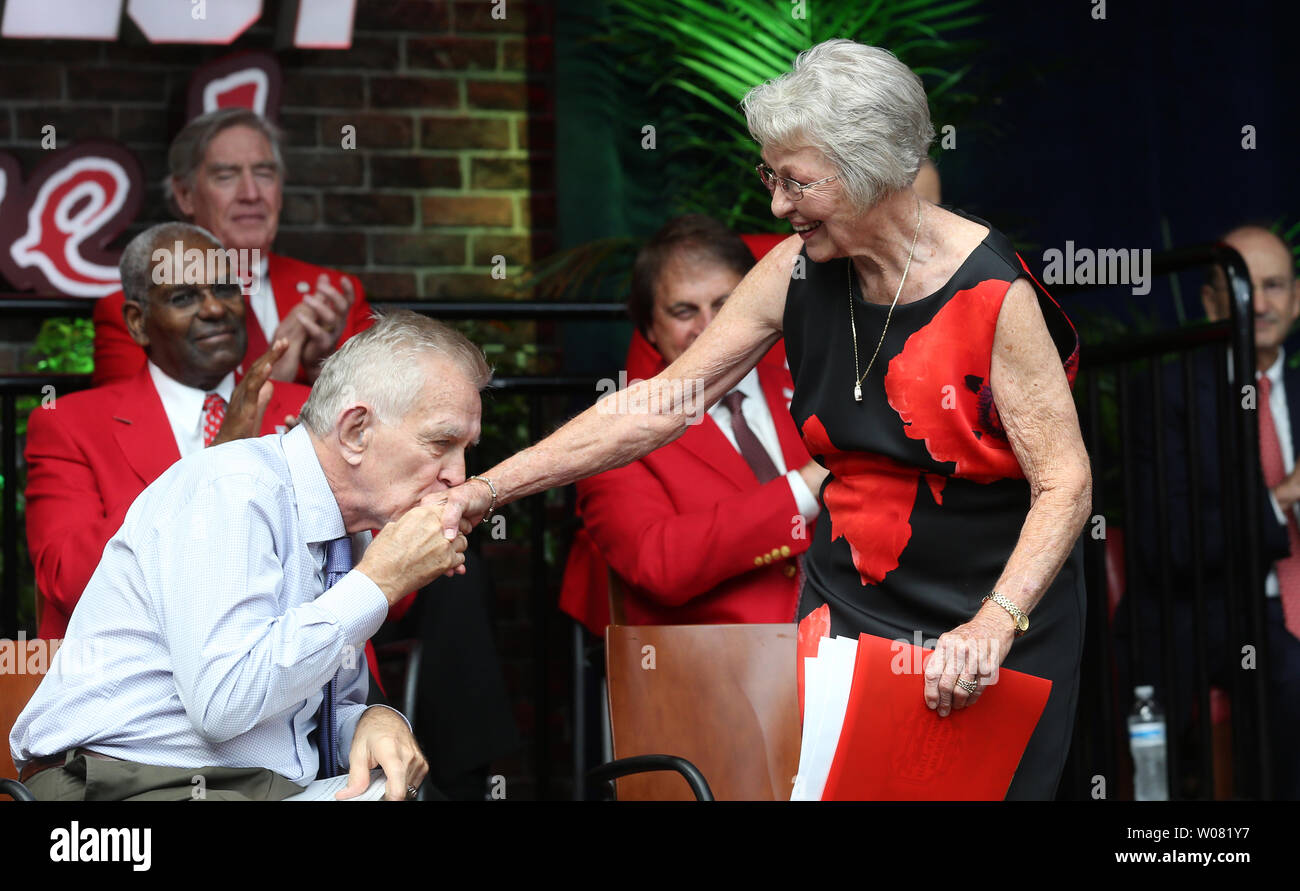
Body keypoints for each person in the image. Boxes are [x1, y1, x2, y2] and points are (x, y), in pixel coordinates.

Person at [436, 40, 1090, 800]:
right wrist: (483, 491)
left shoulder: (992, 293)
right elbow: (658, 406)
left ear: (871, 168)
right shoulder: (794, 271)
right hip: (854, 606)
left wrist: (994, 623)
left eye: (796, 181)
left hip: (994, 614)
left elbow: (1066, 482)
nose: (776, 204)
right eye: (769, 176)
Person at [10, 310, 485, 800]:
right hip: (124, 782)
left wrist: (368, 718)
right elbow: (225, 703)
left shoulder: (352, 530)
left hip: (246, 785)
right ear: (355, 431)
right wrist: (378, 583)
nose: (458, 475)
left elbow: (298, 713)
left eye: (466, 449)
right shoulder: (236, 489)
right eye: (441, 443)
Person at [24, 222, 310, 639]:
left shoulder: (308, 408)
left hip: (300, 680)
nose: (216, 309)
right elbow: (68, 581)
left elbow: (385, 584)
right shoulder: (69, 425)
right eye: (184, 297)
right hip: (138, 685)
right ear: (138, 323)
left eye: (226, 289)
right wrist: (213, 462)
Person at [559, 214, 825, 628]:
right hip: (714, 675)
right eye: (684, 311)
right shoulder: (617, 431)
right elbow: (658, 565)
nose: (709, 327)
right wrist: (801, 490)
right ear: (648, 328)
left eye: (726, 303)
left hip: (852, 649)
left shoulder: (816, 389)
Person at [1122, 224, 1300, 799]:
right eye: (1244, 287)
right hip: (1194, 610)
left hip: (1276, 613)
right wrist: (1282, 500)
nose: (1263, 304)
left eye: (1275, 287)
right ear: (1210, 303)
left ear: (1297, 299)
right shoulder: (1166, 392)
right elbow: (1168, 546)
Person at [91, 107, 373, 387]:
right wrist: (267, 382)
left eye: (264, 174)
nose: (251, 194)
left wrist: (322, 371)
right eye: (226, 176)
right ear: (185, 195)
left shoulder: (335, 294)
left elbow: (386, 420)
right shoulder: (140, 310)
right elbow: (130, 427)